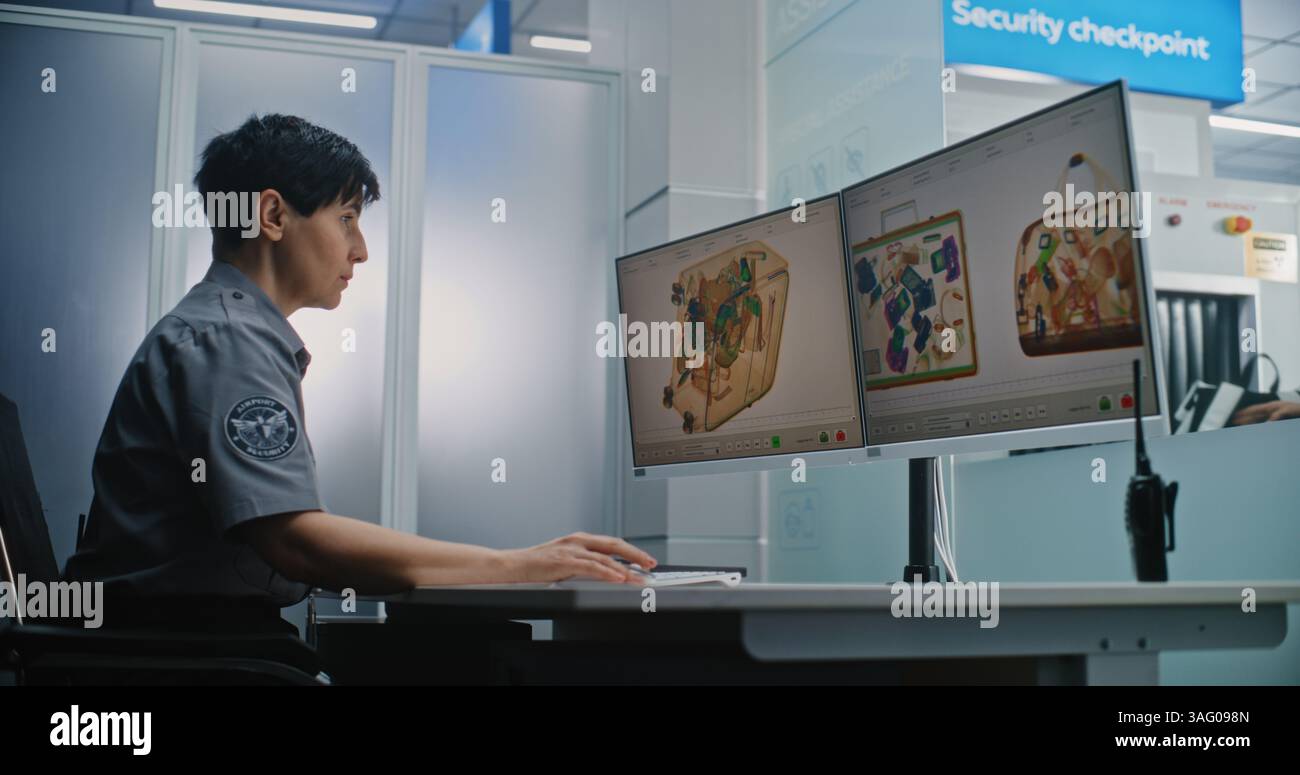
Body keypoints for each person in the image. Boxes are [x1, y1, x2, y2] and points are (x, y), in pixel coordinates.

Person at [62, 114, 654, 634]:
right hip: (182, 654)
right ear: (272, 215)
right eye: (347, 218)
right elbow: (294, 541)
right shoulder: (229, 339)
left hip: (183, 640)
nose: (361, 249)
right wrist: (517, 564)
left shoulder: (229, 330)